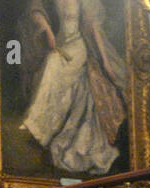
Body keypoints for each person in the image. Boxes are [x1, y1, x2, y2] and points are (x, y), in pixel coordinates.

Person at [18, 0, 127, 176]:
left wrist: (105, 61)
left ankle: (43, 129)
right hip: (61, 44)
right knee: (51, 63)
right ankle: (38, 127)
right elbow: (34, 10)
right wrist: (47, 30)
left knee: (55, 70)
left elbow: (93, 30)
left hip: (78, 47)